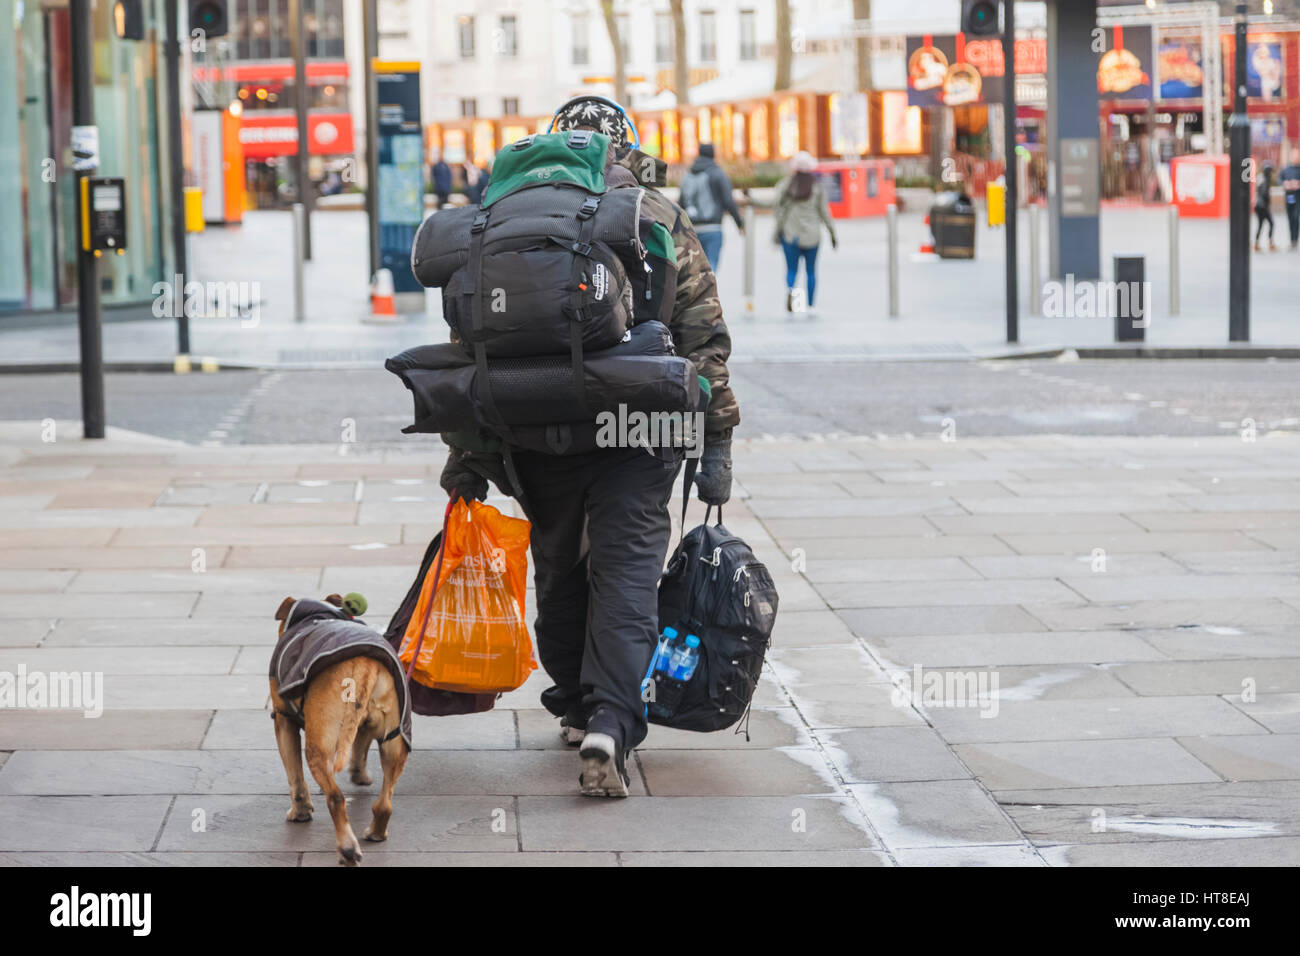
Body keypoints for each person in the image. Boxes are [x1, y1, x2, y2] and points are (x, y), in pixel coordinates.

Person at [438, 95, 739, 797]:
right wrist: (716, 442)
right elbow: (703, 336)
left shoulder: (505, 216)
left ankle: (575, 701)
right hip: (641, 428)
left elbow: (472, 345)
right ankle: (611, 718)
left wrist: (468, 459)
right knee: (628, 572)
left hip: (538, 424)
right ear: (627, 146)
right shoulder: (653, 212)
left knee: (560, 567)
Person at [773, 151, 837, 316]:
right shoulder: (817, 187)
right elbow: (825, 213)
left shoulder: (786, 186)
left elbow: (775, 205)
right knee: (810, 271)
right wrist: (833, 234)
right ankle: (810, 306)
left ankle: (792, 296)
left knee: (792, 270)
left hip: (790, 235)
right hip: (812, 236)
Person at [680, 143, 744, 270]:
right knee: (710, 268)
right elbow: (728, 200)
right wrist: (740, 223)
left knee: (694, 269)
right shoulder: (717, 173)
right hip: (712, 228)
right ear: (713, 154)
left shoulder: (688, 175)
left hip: (691, 229)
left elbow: (681, 202)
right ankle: (707, 289)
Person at [1254, 162, 1277, 252]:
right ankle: (1270, 243)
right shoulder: (1265, 180)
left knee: (1261, 225)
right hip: (1263, 206)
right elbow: (1264, 193)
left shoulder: (1261, 178)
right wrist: (1268, 201)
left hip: (1259, 206)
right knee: (1271, 223)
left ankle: (1257, 243)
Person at [1281, 155, 1300, 250]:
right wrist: (1285, 184)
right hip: (1289, 196)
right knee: (1290, 217)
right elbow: (1280, 179)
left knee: (1296, 217)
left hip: (1298, 196)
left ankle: (1295, 239)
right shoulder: (1287, 169)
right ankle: (1291, 239)